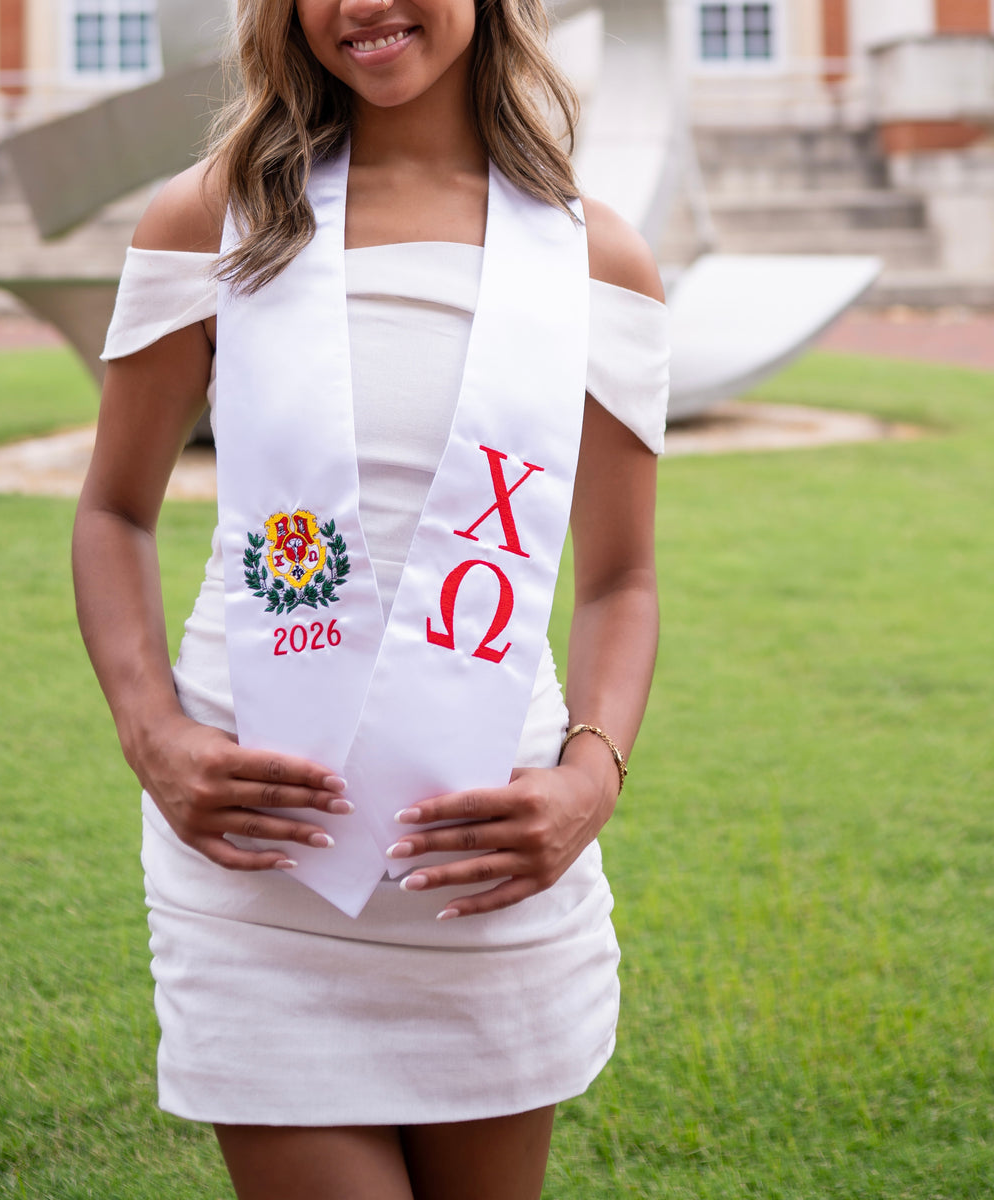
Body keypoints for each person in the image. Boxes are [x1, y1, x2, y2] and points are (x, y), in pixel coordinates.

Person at [71, 0, 669, 1190]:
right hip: (259, 861)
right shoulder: (213, 222)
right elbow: (113, 514)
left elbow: (622, 576)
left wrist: (589, 781)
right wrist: (154, 737)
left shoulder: (594, 257)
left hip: (486, 865)